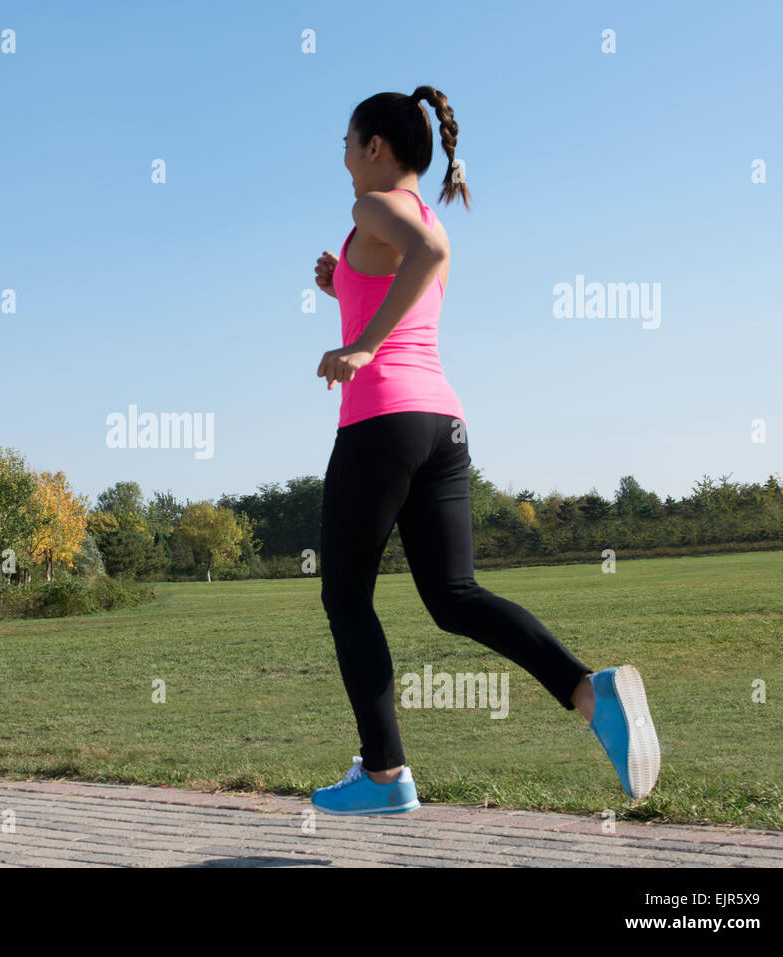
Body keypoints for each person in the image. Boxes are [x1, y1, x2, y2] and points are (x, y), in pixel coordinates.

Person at [309, 86, 660, 814]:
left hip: (380, 420)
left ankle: (384, 774)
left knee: (345, 595)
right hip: (443, 424)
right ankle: (588, 691)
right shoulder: (415, 212)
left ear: (376, 148)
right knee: (454, 596)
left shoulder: (373, 207)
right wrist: (338, 284)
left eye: (348, 144)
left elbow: (427, 258)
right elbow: (412, 273)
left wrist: (363, 343)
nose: (342, 158)